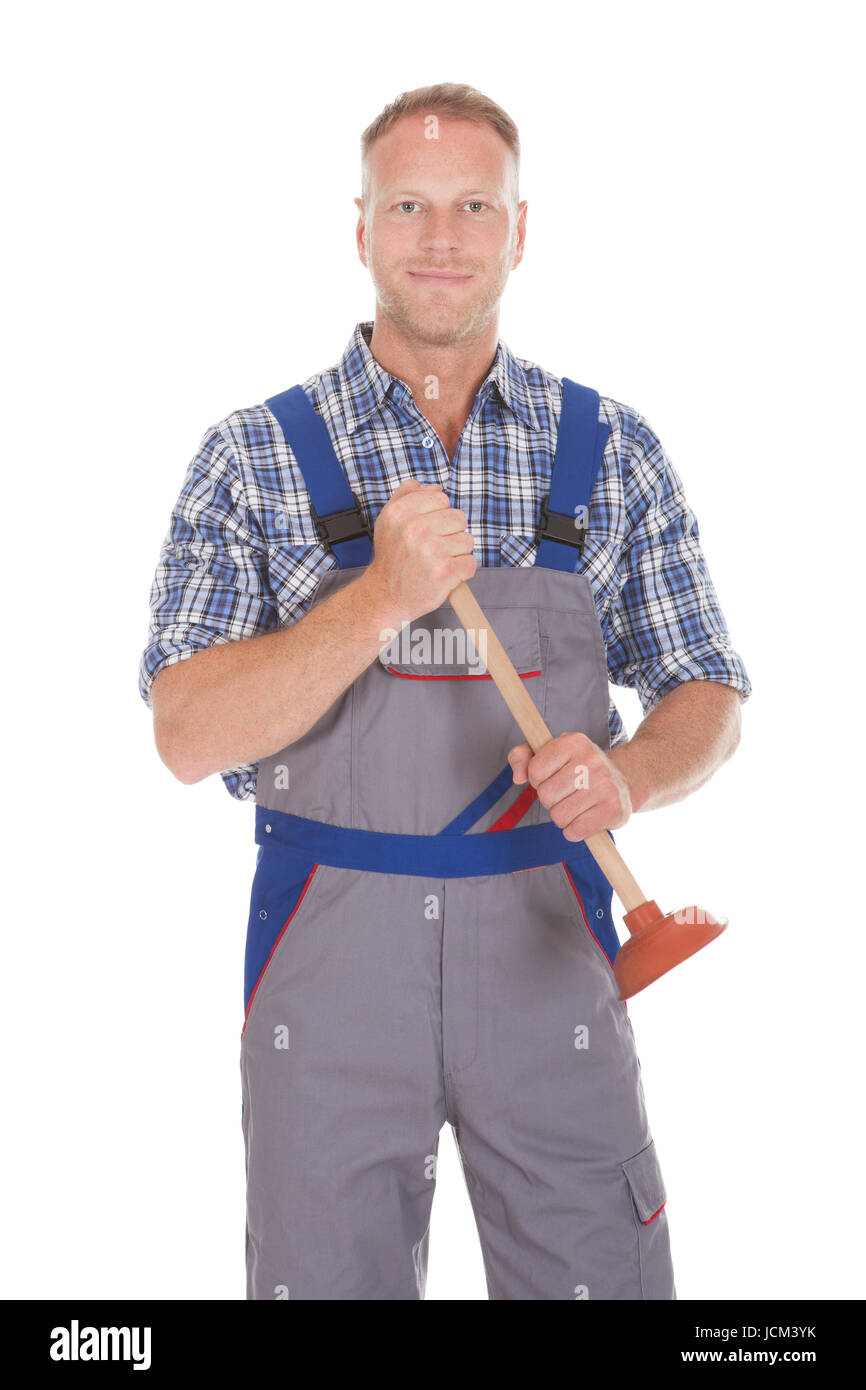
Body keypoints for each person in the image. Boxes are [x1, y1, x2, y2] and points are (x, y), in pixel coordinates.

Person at [138, 82, 751, 1301]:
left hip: (547, 947)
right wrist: (374, 598)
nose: (439, 237)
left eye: (474, 205)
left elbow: (708, 691)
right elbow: (185, 730)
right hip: (328, 952)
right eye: (407, 205)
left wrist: (623, 774)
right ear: (358, 227)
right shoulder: (253, 455)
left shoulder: (608, 449)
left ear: (518, 230)